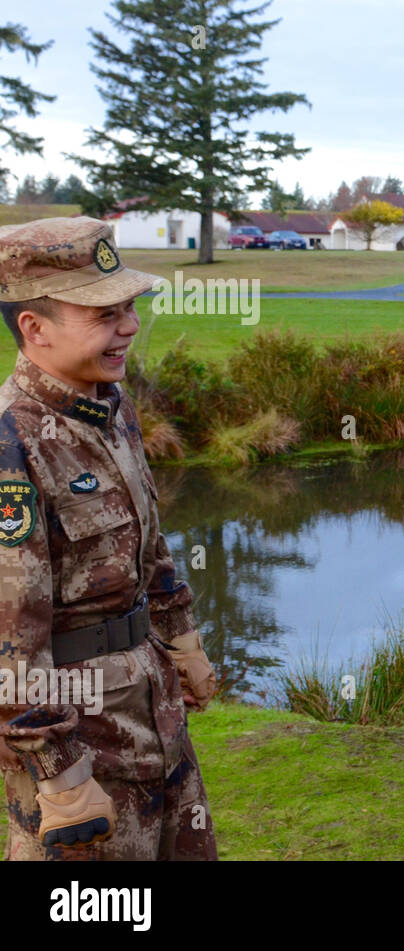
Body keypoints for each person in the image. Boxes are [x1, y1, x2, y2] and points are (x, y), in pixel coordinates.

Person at [0, 217, 219, 860]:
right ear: (33, 328)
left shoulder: (113, 406)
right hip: (76, 746)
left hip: (152, 716)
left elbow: (151, 547)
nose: (128, 325)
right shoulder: (11, 447)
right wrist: (60, 774)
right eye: (102, 313)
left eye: (128, 307)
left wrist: (183, 642)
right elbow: (10, 640)